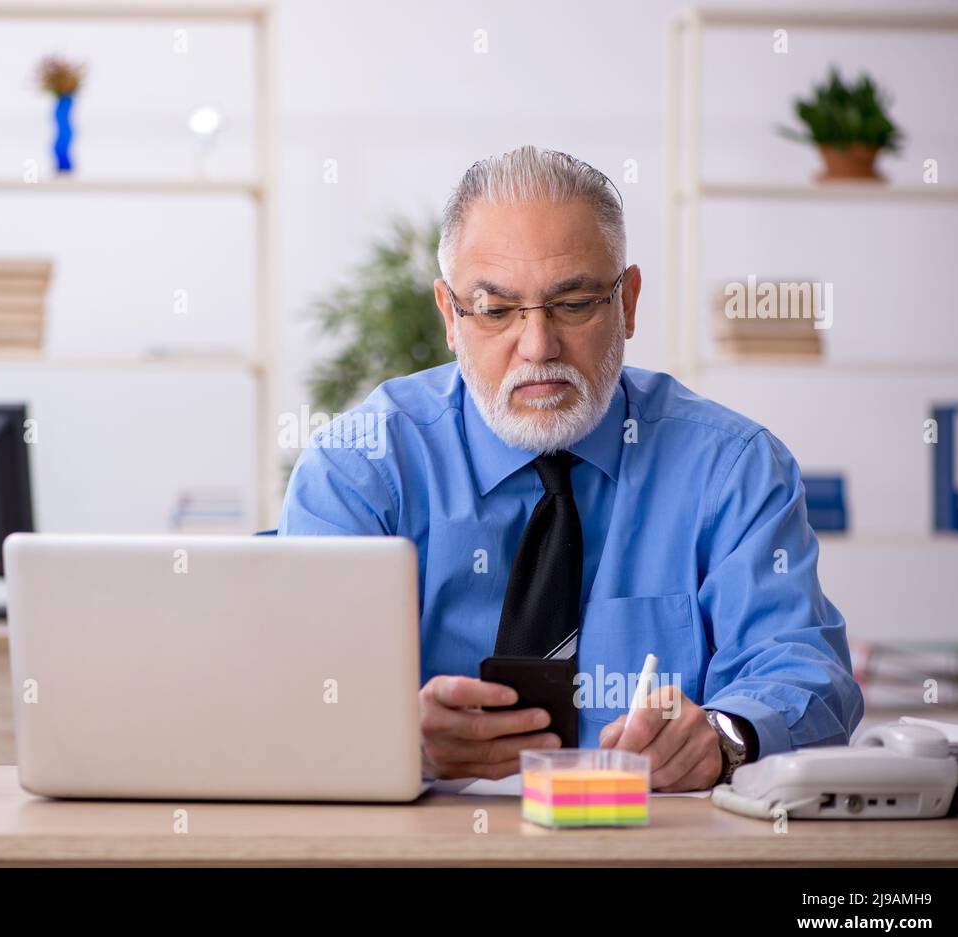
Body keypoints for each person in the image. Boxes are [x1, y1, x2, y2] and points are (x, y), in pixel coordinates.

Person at [279, 146, 863, 791]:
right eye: (497, 310)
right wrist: (387, 734)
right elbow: (295, 687)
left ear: (628, 302)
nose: (537, 347)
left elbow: (806, 669)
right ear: (450, 316)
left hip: (653, 851)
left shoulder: (731, 469)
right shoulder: (359, 466)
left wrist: (728, 736)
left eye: (575, 303)